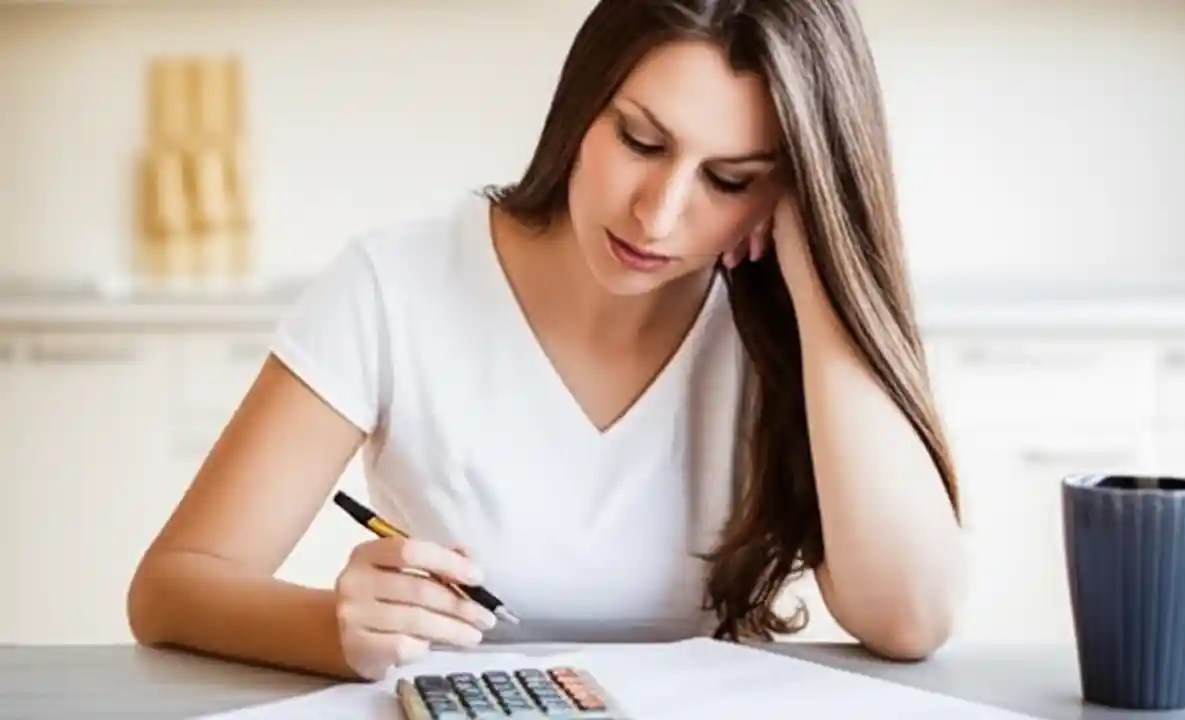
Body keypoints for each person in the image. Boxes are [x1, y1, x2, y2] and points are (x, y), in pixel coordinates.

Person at [127, 0, 965, 682]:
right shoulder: (395, 284)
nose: (659, 216)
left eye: (729, 180)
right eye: (640, 141)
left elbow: (911, 621)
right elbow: (171, 587)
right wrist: (336, 629)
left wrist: (820, 281)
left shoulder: (784, 331)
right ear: (580, 109)